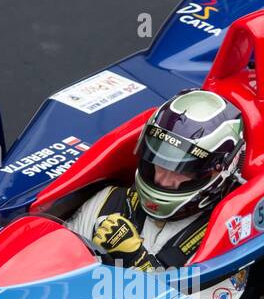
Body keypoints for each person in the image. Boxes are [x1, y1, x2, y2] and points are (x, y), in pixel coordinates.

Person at [66, 89, 245, 272]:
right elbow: (58, 266)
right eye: (160, 161)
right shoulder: (107, 202)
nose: (163, 180)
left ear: (220, 170)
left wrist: (138, 261)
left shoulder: (226, 235)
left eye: (184, 170)